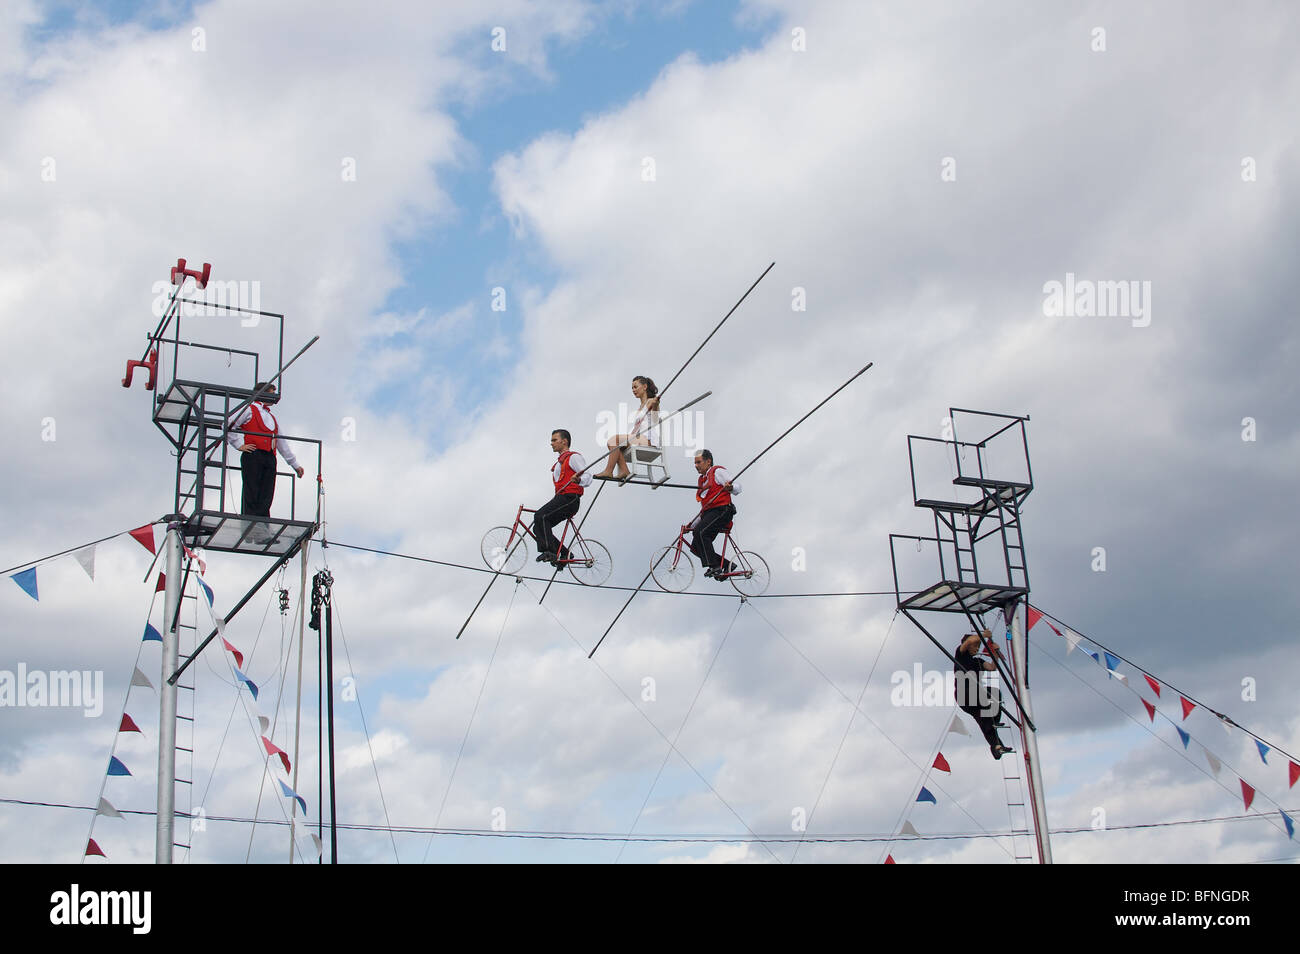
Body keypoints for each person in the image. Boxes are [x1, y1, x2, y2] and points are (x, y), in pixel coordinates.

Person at [225, 381, 304, 527]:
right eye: (271, 393)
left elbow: (282, 443)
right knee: (252, 490)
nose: (274, 397)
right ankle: (249, 525)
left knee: (267, 493)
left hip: (269, 457)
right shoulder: (249, 409)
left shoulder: (272, 417)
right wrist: (238, 445)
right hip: (253, 454)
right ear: (263, 393)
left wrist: (295, 464)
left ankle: (263, 526)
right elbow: (228, 423)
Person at [954, 629, 1014, 760]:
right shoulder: (960, 654)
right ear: (968, 645)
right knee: (993, 693)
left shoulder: (978, 661)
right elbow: (970, 640)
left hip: (976, 698)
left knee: (985, 722)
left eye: (979, 646)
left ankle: (997, 747)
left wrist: (995, 653)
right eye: (975, 646)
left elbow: (992, 667)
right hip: (965, 694)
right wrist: (983, 636)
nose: (977, 648)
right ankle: (993, 722)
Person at [534, 429, 592, 564]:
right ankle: (565, 553)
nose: (551, 443)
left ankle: (550, 552)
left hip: (570, 498)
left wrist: (579, 480)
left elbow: (588, 476)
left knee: (540, 516)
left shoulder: (574, 457)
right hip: (561, 498)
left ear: (564, 441)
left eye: (554, 440)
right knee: (538, 526)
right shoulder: (557, 464)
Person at [689, 449, 741, 579]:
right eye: (695, 463)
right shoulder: (701, 481)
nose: (696, 466)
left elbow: (738, 487)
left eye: (698, 462)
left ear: (708, 461)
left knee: (701, 532)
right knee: (695, 546)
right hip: (710, 513)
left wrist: (731, 487)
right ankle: (726, 565)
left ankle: (715, 566)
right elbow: (704, 510)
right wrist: (690, 525)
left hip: (723, 510)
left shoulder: (717, 471)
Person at [597, 376, 660, 480]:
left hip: (648, 440)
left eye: (635, 387)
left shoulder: (651, 401)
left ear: (644, 387)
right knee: (613, 444)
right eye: (632, 388)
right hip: (639, 437)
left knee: (614, 440)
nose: (633, 390)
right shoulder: (639, 408)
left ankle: (608, 471)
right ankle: (625, 471)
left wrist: (656, 405)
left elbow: (655, 419)